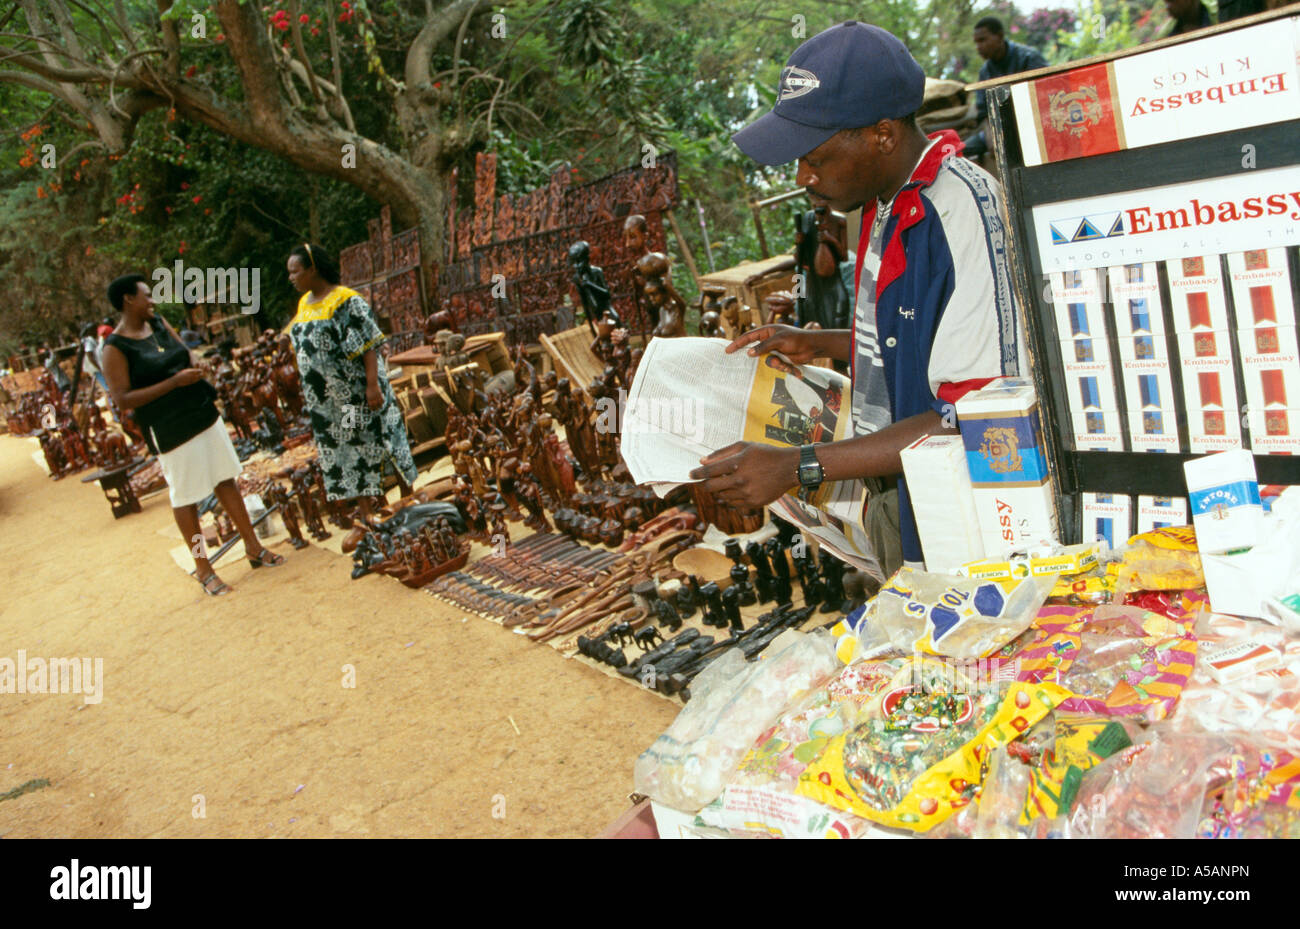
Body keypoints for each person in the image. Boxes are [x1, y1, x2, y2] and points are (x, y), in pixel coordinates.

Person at [690, 21, 1026, 577]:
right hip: (902, 496)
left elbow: (976, 417)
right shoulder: (883, 202)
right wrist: (817, 341)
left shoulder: (959, 215)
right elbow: (920, 342)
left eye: (814, 156)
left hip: (966, 525)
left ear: (883, 135)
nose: (801, 175)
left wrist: (799, 467)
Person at [101, 273, 285, 596]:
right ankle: (203, 567)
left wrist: (197, 365)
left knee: (224, 478)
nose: (152, 300)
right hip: (169, 427)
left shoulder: (158, 323)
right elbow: (122, 398)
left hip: (201, 412)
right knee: (186, 498)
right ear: (128, 300)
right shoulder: (115, 348)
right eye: (146, 295)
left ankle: (253, 546)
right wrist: (174, 383)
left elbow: (186, 353)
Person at [285, 244, 417, 521]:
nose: (291, 278)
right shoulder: (303, 304)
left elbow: (368, 343)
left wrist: (372, 385)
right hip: (335, 405)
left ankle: (410, 500)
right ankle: (369, 513)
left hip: (360, 392)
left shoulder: (346, 300)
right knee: (351, 450)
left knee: (384, 439)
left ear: (313, 269)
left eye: (295, 271)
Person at [965, 17, 1048, 158]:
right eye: (976, 42)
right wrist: (991, 136)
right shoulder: (985, 71)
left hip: (1033, 126)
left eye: (983, 40)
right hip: (1000, 128)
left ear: (1000, 36)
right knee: (958, 153)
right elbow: (984, 112)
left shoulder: (1029, 58)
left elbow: (1045, 97)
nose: (978, 47)